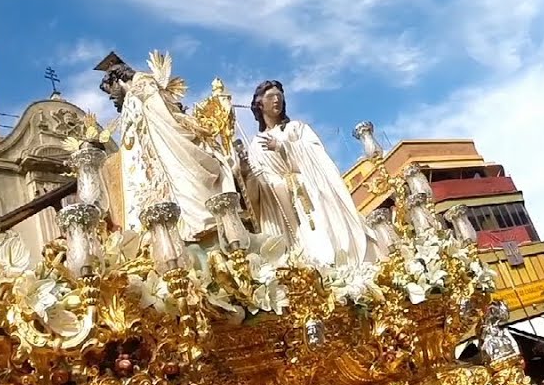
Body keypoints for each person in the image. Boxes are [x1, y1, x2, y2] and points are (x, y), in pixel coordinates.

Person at [242, 80, 379, 266]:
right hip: (284, 206)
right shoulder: (256, 146)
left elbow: (317, 155)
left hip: (312, 194)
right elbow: (261, 187)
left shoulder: (296, 128)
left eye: (279, 96)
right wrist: (245, 172)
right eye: (270, 97)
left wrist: (284, 147)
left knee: (325, 235)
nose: (276, 100)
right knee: (303, 247)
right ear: (259, 104)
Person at [98, 52, 226, 242]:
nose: (112, 98)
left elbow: (164, 114)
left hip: (166, 145)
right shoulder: (134, 96)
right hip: (151, 160)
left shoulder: (142, 87)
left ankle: (194, 225)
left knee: (184, 185)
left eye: (111, 90)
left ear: (118, 79)